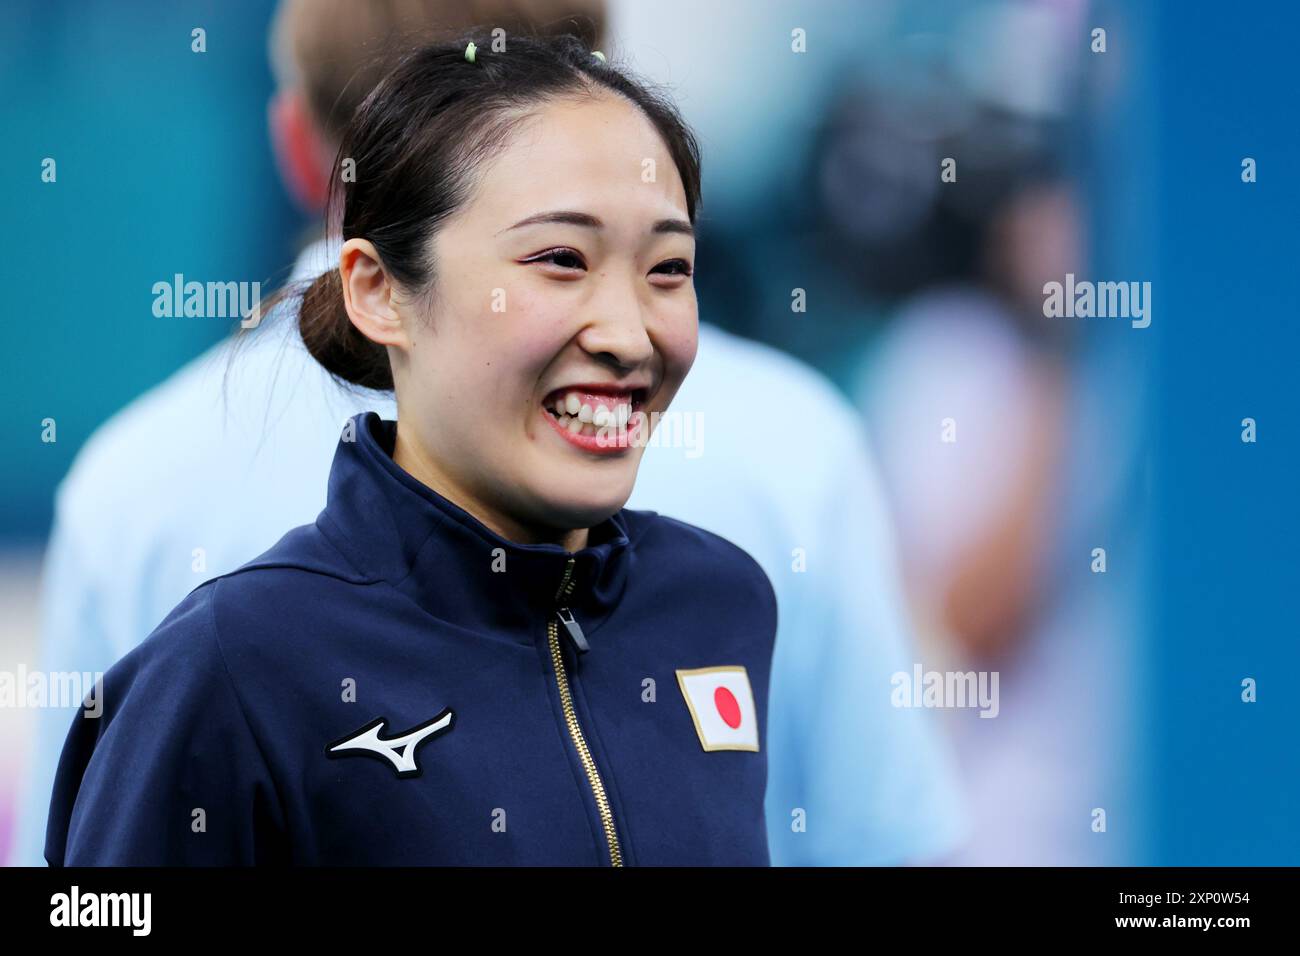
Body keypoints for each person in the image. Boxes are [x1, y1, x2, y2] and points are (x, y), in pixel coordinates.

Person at [15, 0, 966, 867]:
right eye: (559, 259)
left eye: (670, 268)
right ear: (378, 289)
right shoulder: (223, 665)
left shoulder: (720, 599)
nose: (629, 334)